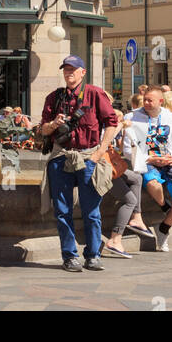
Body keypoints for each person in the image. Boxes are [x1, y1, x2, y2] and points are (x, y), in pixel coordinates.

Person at [40, 55, 119, 272]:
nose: (69, 74)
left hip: (88, 156)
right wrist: (53, 124)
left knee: (91, 210)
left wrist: (100, 153)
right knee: (62, 211)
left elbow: (112, 122)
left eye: (73, 70)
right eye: (66, 70)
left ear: (83, 72)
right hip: (61, 157)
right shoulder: (54, 97)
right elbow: (43, 130)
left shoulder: (94, 94)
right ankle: (69, 256)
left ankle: (93, 255)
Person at [121, 85, 172, 251]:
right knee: (152, 183)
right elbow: (127, 149)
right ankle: (166, 208)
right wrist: (149, 158)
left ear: (160, 101)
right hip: (146, 161)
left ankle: (164, 227)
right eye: (145, 100)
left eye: (150, 100)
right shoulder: (132, 117)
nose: (146, 103)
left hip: (170, 161)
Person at [102, 113, 154, 258]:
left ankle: (137, 217)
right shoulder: (99, 121)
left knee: (137, 178)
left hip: (109, 165)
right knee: (130, 200)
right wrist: (121, 125)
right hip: (103, 169)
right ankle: (114, 239)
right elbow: (104, 140)